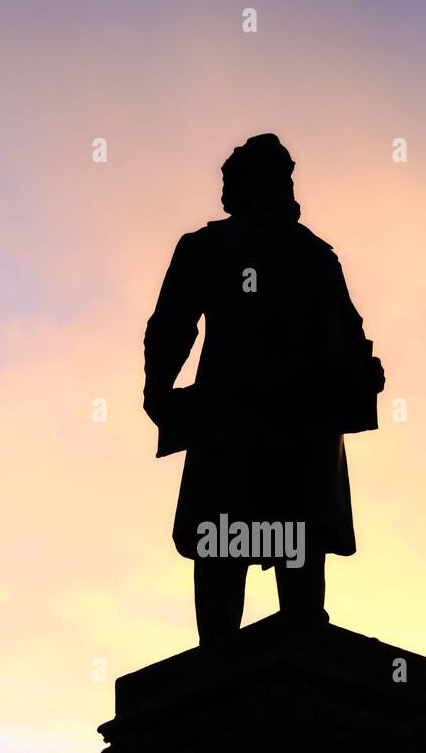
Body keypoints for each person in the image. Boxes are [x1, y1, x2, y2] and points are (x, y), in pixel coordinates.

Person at [143, 133, 384, 643]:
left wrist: (159, 391)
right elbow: (172, 326)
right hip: (253, 418)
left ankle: (260, 653)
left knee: (268, 537)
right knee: (244, 539)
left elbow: (347, 333)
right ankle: (239, 656)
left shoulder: (305, 256)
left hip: (272, 418)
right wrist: (159, 387)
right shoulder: (248, 251)